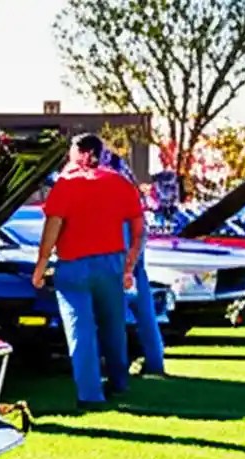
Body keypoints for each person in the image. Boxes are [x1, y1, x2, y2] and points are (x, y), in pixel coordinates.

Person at [32, 134, 145, 409]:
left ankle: (90, 395)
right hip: (111, 263)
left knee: (79, 328)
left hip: (73, 264)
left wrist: (41, 265)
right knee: (114, 325)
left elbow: (53, 227)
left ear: (79, 152)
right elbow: (138, 225)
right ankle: (119, 382)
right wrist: (130, 261)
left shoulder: (66, 183)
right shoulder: (119, 182)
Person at [100, 148, 167, 378]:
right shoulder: (120, 168)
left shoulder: (99, 172)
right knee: (144, 308)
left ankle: (115, 366)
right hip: (136, 230)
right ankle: (155, 362)